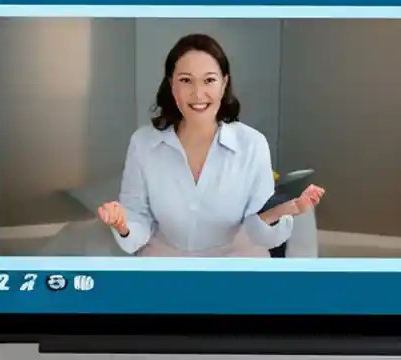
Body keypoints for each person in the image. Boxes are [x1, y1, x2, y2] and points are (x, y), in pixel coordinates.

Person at [96, 33, 325, 257]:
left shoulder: (252, 144)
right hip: (165, 262)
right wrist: (122, 224)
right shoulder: (142, 143)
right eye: (186, 80)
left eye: (209, 80)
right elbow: (138, 225)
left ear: (224, 84)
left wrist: (286, 210)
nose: (198, 94)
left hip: (237, 263)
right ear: (171, 85)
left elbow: (259, 232)